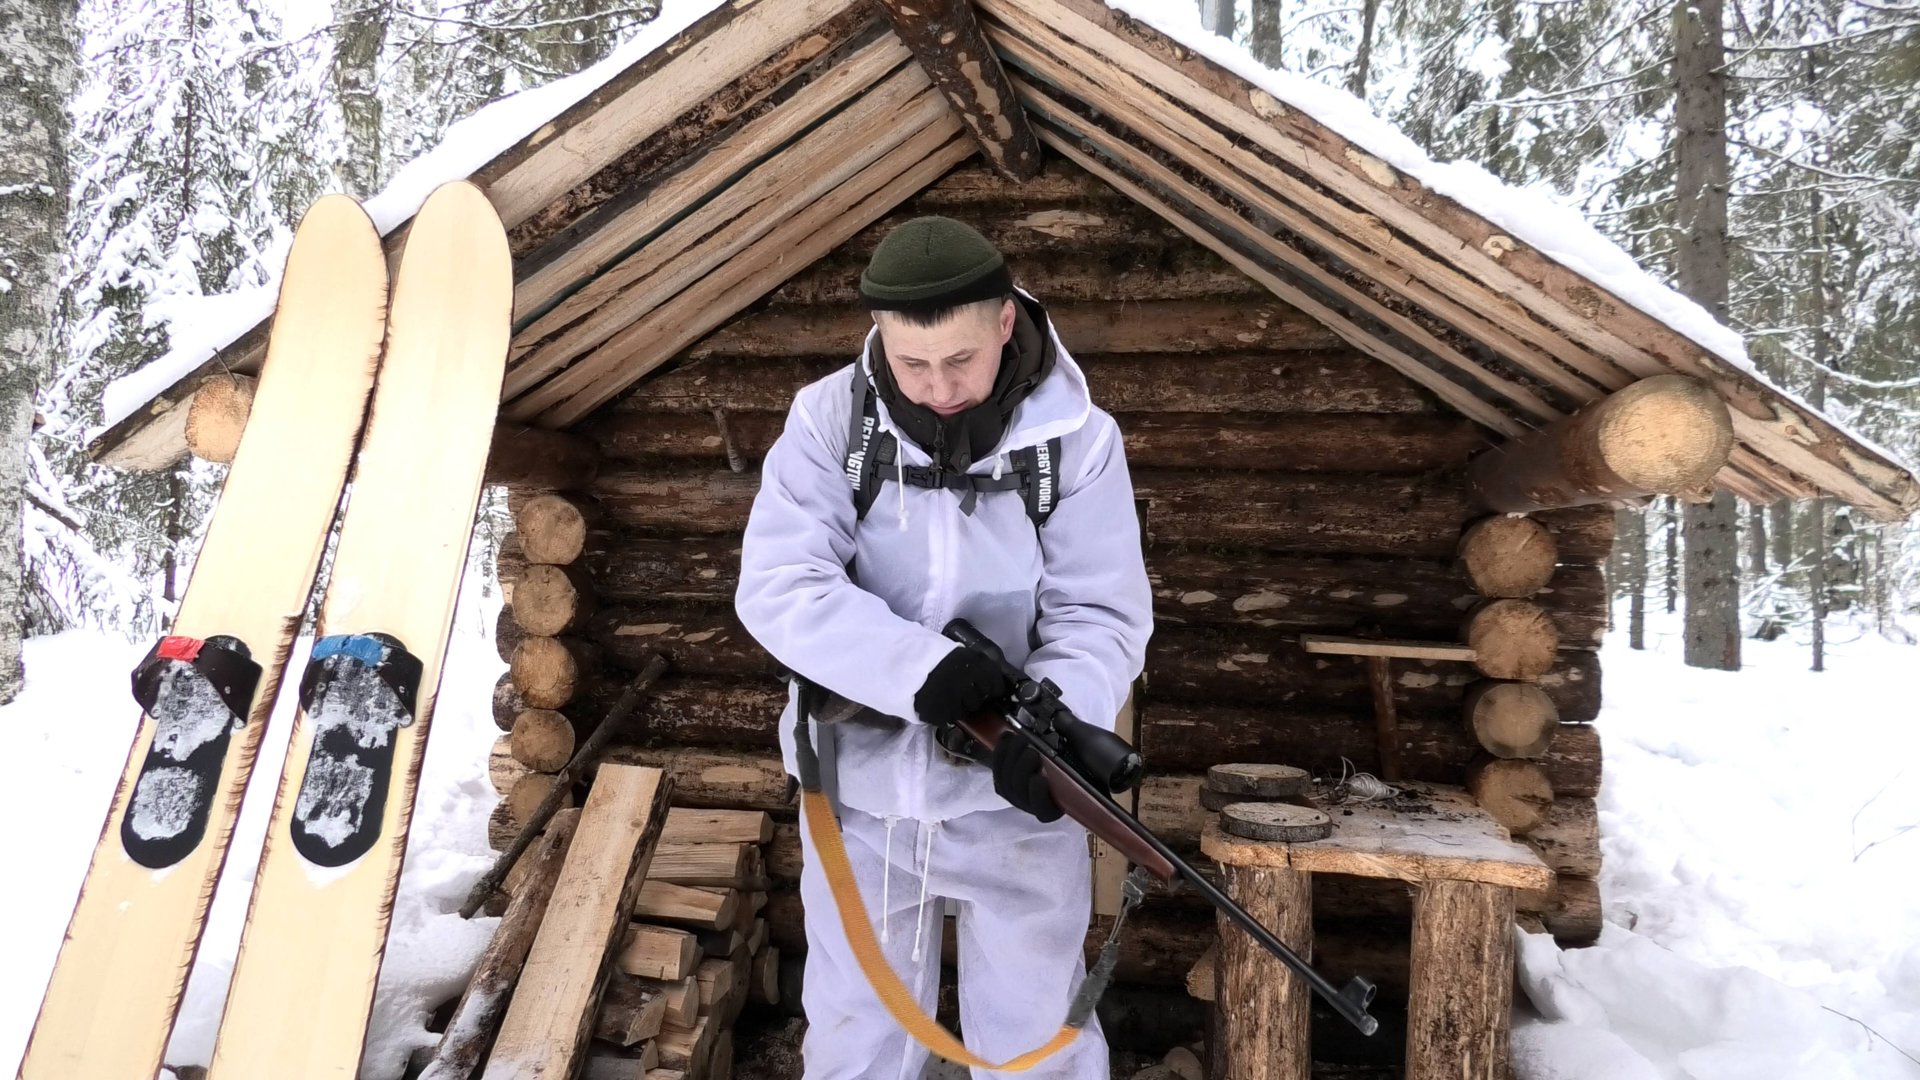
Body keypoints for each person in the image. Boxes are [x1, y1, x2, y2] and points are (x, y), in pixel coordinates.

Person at [735, 215, 1152, 1079]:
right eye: (912, 364)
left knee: (1039, 1038)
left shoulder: (1079, 439)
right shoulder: (828, 421)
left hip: (1012, 799)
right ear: (880, 334)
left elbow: (1099, 613)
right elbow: (781, 585)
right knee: (856, 1036)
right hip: (858, 789)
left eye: (960, 359)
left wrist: (1052, 727)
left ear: (1005, 321)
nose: (937, 388)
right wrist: (923, 673)